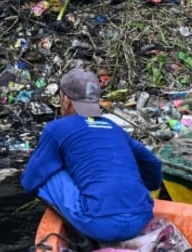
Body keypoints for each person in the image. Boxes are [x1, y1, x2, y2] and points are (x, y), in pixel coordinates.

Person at [21, 68, 162, 243]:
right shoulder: (113, 127)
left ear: (66, 100)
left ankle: (83, 234)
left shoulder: (56, 128)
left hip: (99, 225)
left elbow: (29, 182)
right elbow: (153, 164)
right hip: (141, 218)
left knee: (49, 173)